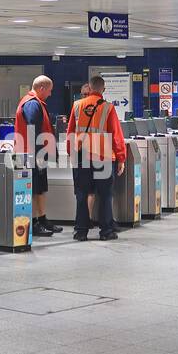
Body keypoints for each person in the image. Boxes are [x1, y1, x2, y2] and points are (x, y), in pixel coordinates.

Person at [68, 74, 126, 241]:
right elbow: (116, 135)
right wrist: (121, 157)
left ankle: (80, 231)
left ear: (90, 88)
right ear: (103, 89)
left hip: (82, 156)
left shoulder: (77, 105)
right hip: (104, 156)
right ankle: (106, 231)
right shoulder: (108, 108)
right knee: (105, 195)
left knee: (81, 194)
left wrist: (73, 153)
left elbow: (70, 132)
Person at [15, 75, 63, 237]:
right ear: (41, 88)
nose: (50, 94)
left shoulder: (36, 103)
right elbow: (33, 131)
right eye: (49, 91)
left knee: (40, 188)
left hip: (35, 153)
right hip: (31, 154)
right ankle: (34, 222)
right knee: (33, 188)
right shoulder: (31, 104)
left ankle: (42, 219)